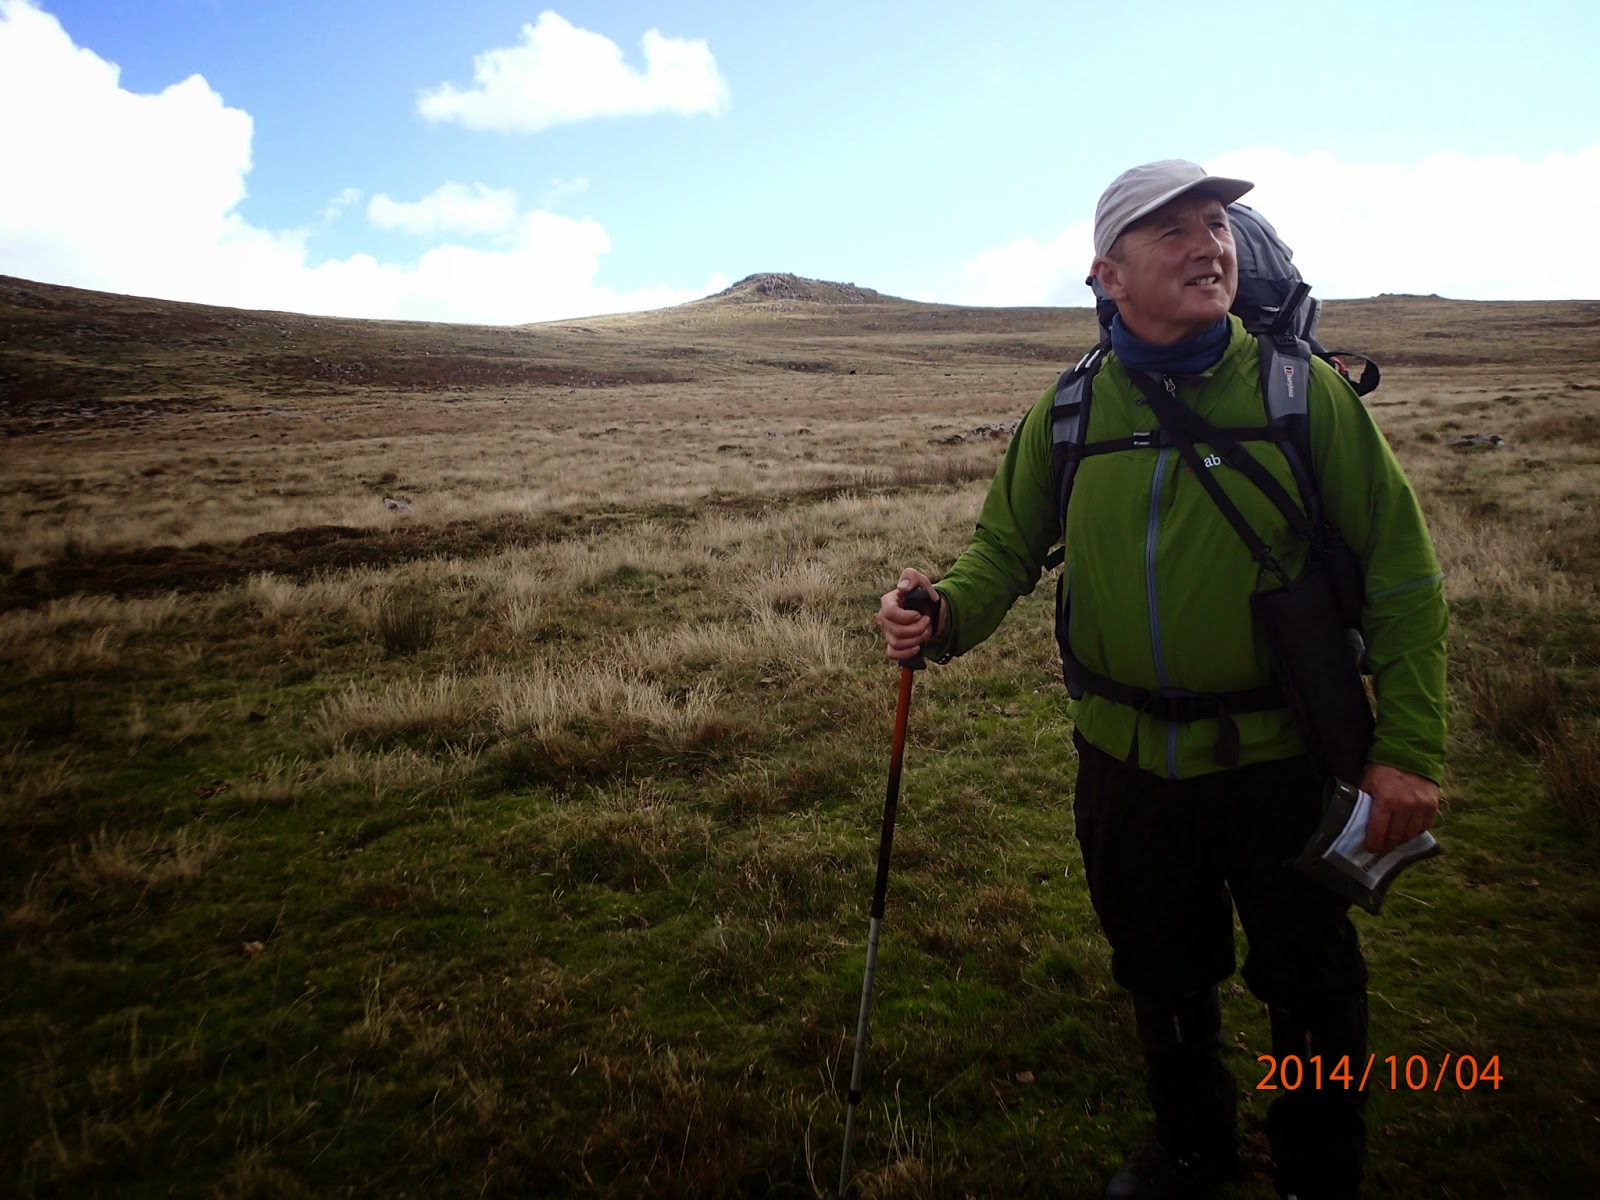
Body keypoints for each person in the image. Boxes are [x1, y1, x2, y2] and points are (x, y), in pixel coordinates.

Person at [876, 160, 1447, 1200]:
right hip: (1125, 762)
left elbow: (1402, 574)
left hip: (1282, 761)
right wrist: (943, 614)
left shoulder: (1298, 394)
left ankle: (1319, 1170)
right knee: (1161, 970)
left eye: (1215, 225)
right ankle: (1194, 1148)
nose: (1207, 244)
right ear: (1108, 273)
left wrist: (1406, 750)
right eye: (1172, 231)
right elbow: (1004, 551)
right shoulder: (1068, 409)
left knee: (1307, 982)